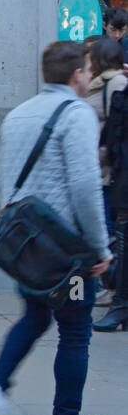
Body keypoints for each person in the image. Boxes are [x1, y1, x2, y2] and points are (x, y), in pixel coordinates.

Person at [0, 41, 113, 415]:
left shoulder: (18, 114)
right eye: (87, 71)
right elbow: (86, 187)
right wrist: (98, 246)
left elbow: (4, 182)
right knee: (75, 331)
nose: (88, 77)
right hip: (67, 251)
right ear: (76, 75)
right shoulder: (77, 114)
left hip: (26, 245)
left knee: (34, 317)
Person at [85, 37, 125, 290]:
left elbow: (115, 129)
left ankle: (114, 286)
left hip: (108, 169)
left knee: (109, 229)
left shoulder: (115, 82)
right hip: (99, 168)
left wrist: (102, 154)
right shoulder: (100, 83)